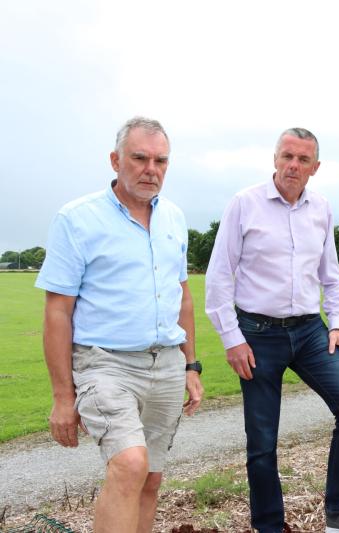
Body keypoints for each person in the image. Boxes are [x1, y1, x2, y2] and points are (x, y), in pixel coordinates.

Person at [205, 128, 339, 533]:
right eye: (287, 156)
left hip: (308, 332)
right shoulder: (244, 204)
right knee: (262, 442)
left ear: (315, 168)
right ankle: (269, 527)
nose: (293, 165)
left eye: (303, 160)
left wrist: (337, 325)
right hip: (257, 334)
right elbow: (219, 277)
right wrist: (232, 338)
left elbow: (332, 276)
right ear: (274, 158)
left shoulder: (321, 209)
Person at [35, 116, 204, 533]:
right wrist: (62, 397)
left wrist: (190, 365)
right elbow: (57, 311)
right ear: (115, 160)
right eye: (140, 158)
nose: (152, 169)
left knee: (150, 479)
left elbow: (181, 295)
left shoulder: (174, 218)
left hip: (165, 364)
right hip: (105, 363)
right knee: (130, 464)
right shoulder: (77, 219)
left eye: (161, 160)